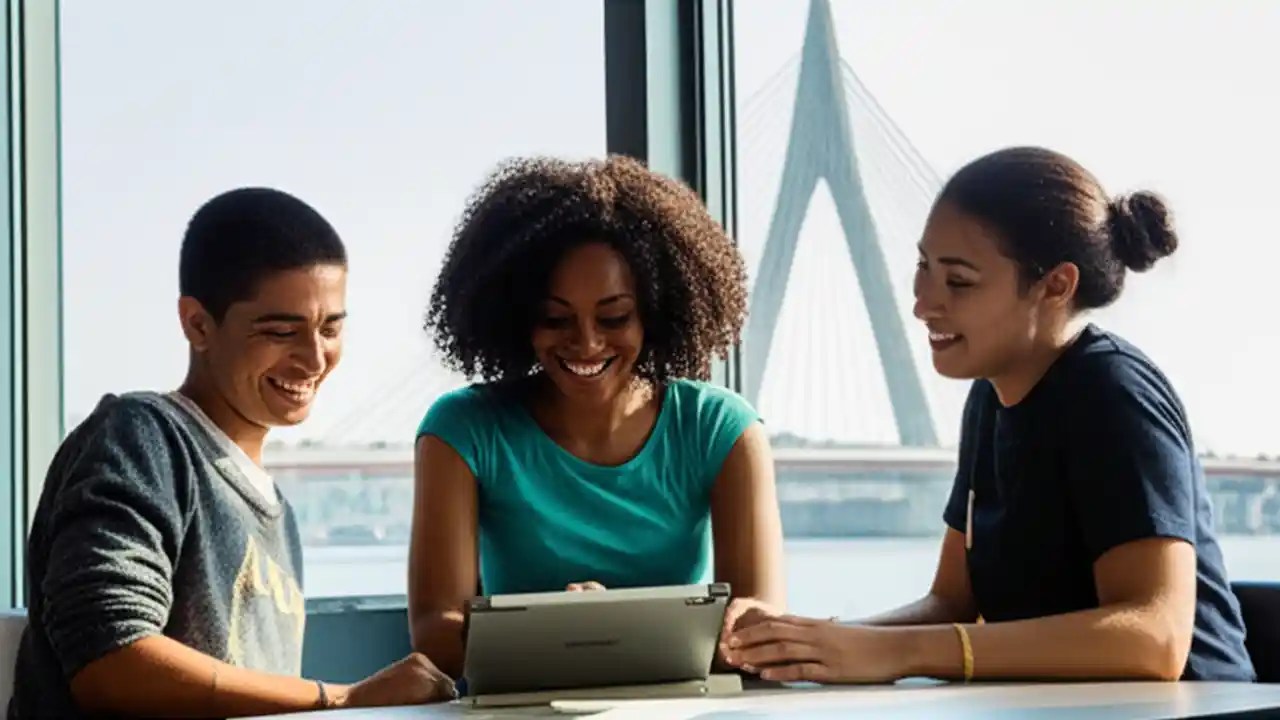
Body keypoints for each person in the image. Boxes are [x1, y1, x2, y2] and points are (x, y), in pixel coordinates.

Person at [721, 146, 1255, 684]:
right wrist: (811, 645)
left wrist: (899, 654)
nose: (922, 303)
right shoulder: (988, 399)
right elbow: (950, 605)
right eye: (922, 267)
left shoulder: (1113, 393)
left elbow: (1154, 639)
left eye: (959, 281)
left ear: (1056, 286)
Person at [9, 188, 454, 719]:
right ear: (198, 324)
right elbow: (110, 661)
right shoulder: (139, 438)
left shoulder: (274, 510)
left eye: (330, 327)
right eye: (281, 330)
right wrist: (343, 699)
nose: (314, 358)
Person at [409, 155, 786, 677]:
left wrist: (599, 626)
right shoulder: (465, 430)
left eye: (614, 318)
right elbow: (434, 632)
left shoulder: (720, 429)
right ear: (517, 315)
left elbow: (759, 621)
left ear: (655, 310)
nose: (586, 343)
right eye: (554, 318)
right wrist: (565, 624)